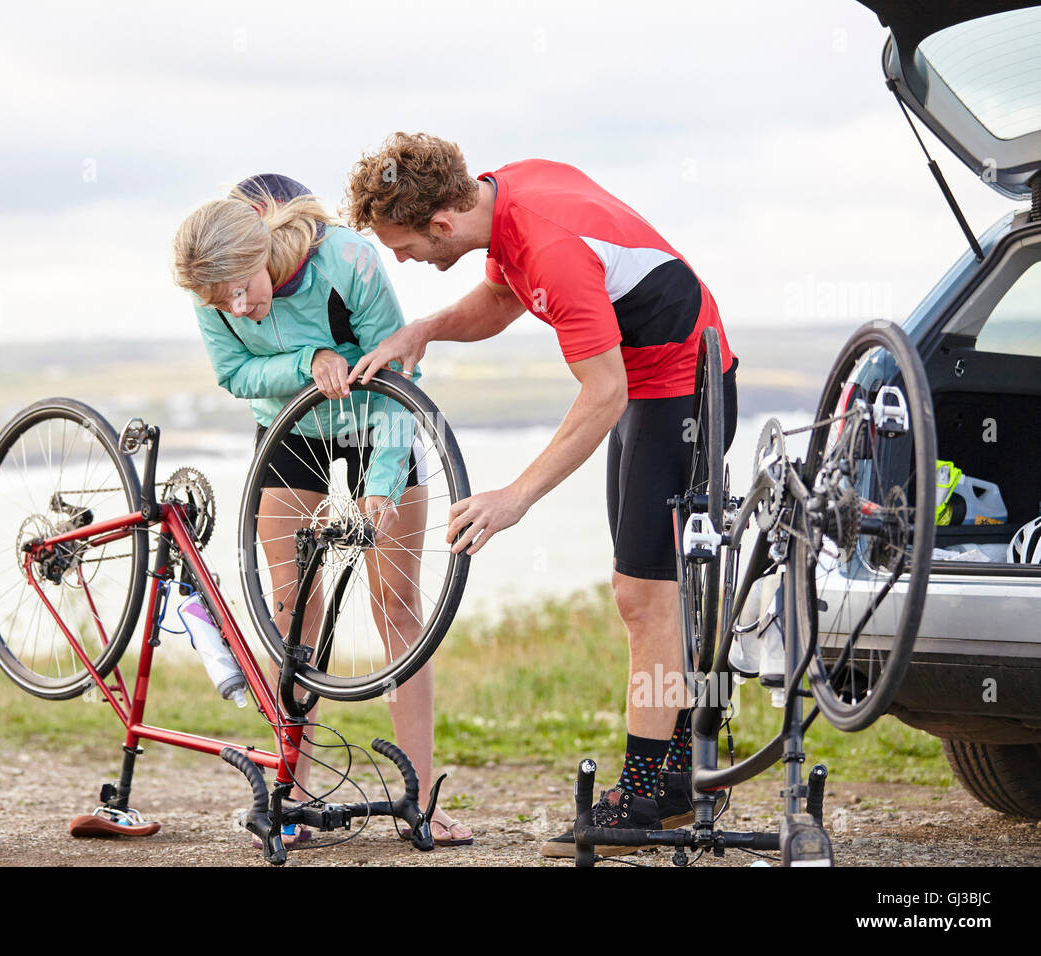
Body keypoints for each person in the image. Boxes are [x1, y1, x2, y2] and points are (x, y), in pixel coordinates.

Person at [343, 133, 737, 857]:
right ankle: (676, 783)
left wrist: (515, 496)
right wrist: (424, 330)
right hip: (656, 385)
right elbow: (500, 298)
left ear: (440, 225)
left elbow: (604, 392)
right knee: (646, 593)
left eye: (401, 248)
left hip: (681, 388)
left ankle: (646, 799)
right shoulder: (503, 194)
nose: (400, 262)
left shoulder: (549, 245)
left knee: (643, 597)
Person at [171, 173, 473, 847]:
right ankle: (294, 790)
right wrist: (309, 358)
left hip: (378, 422)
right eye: (218, 301)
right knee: (292, 605)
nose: (237, 309)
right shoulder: (213, 289)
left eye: (240, 291)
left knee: (395, 601)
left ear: (258, 255)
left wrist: (386, 485)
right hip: (290, 428)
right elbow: (235, 374)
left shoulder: (348, 261)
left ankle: (419, 799)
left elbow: (401, 376)